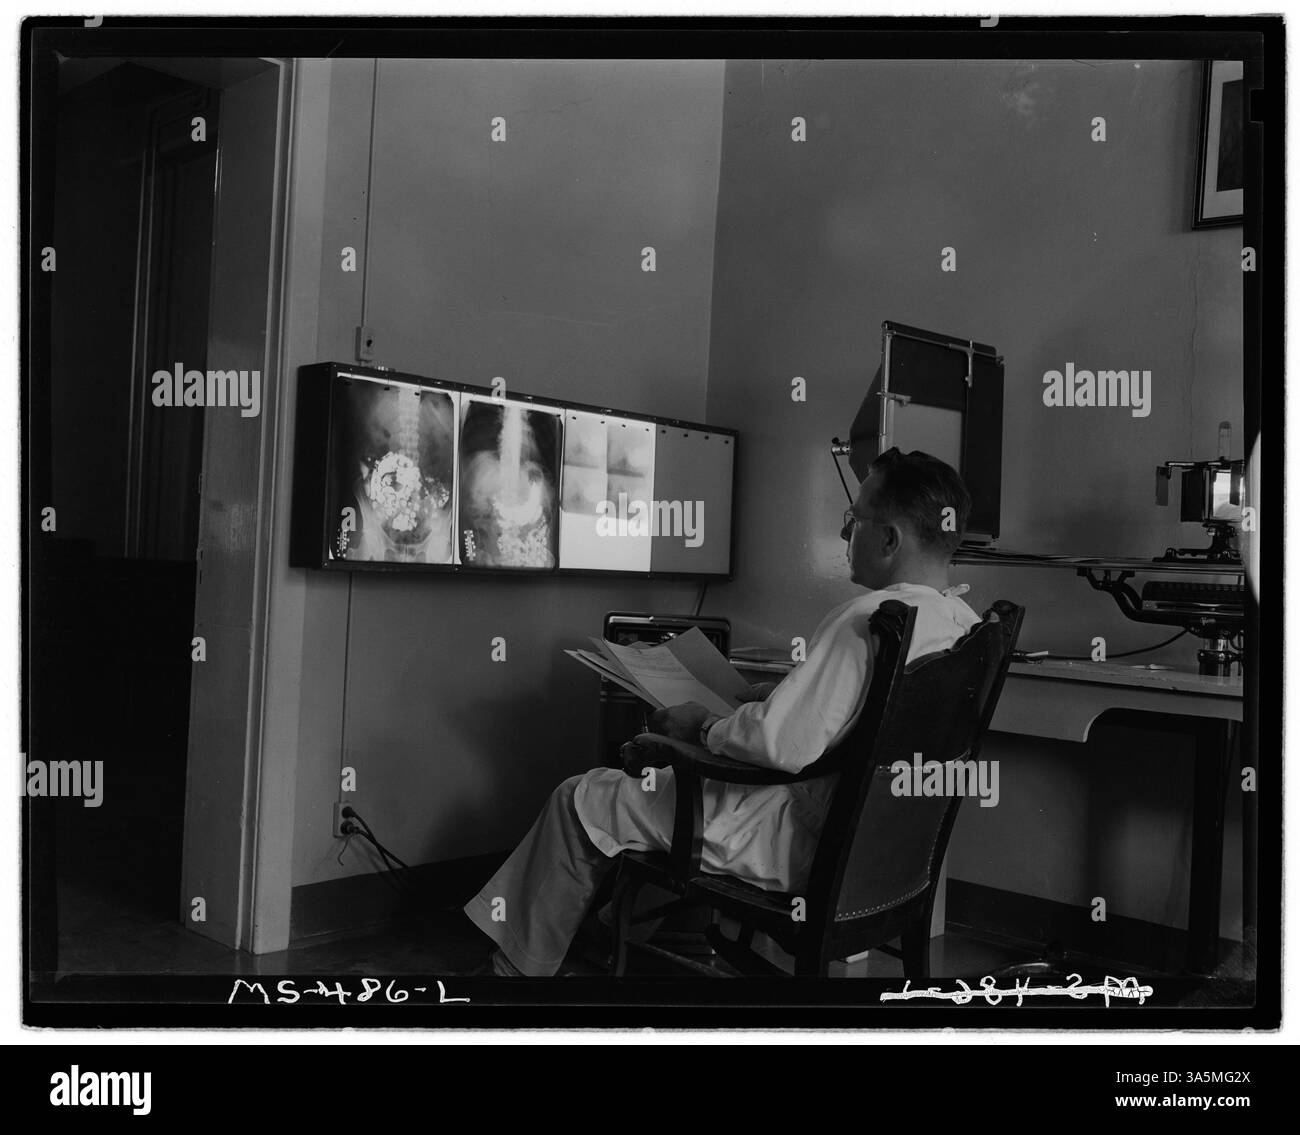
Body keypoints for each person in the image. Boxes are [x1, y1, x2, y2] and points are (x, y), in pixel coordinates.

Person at [464, 448, 982, 976]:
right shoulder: (964, 627)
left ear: (890, 539)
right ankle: (602, 939)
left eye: (855, 520)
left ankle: (517, 975)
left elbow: (779, 747)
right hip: (888, 860)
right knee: (647, 798)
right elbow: (858, 719)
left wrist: (700, 727)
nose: (847, 534)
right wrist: (776, 698)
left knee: (582, 796)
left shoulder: (866, 620)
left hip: (801, 845)